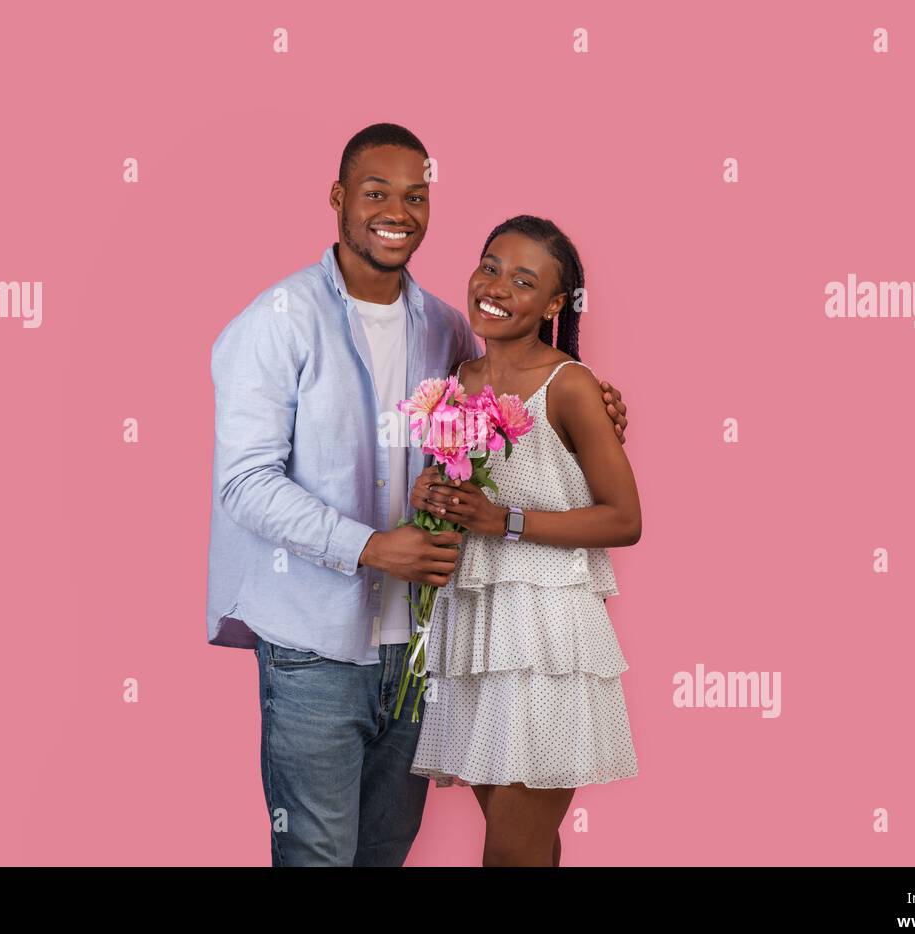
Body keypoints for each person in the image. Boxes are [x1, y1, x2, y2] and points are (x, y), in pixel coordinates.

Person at [207, 125, 631, 866]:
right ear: (339, 199)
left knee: (387, 853)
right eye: (376, 193)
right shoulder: (276, 324)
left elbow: (504, 428)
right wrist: (372, 546)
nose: (396, 211)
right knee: (315, 853)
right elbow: (245, 483)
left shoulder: (445, 330)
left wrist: (592, 402)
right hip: (316, 649)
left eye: (415, 195)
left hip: (422, 652)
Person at [408, 215, 641, 866]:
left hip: (546, 640)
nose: (497, 286)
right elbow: (460, 488)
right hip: (475, 633)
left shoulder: (570, 386)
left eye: (523, 279)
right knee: (528, 846)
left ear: (554, 304)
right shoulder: (457, 379)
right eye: (490, 266)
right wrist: (429, 495)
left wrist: (505, 519)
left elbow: (625, 518)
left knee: (512, 851)